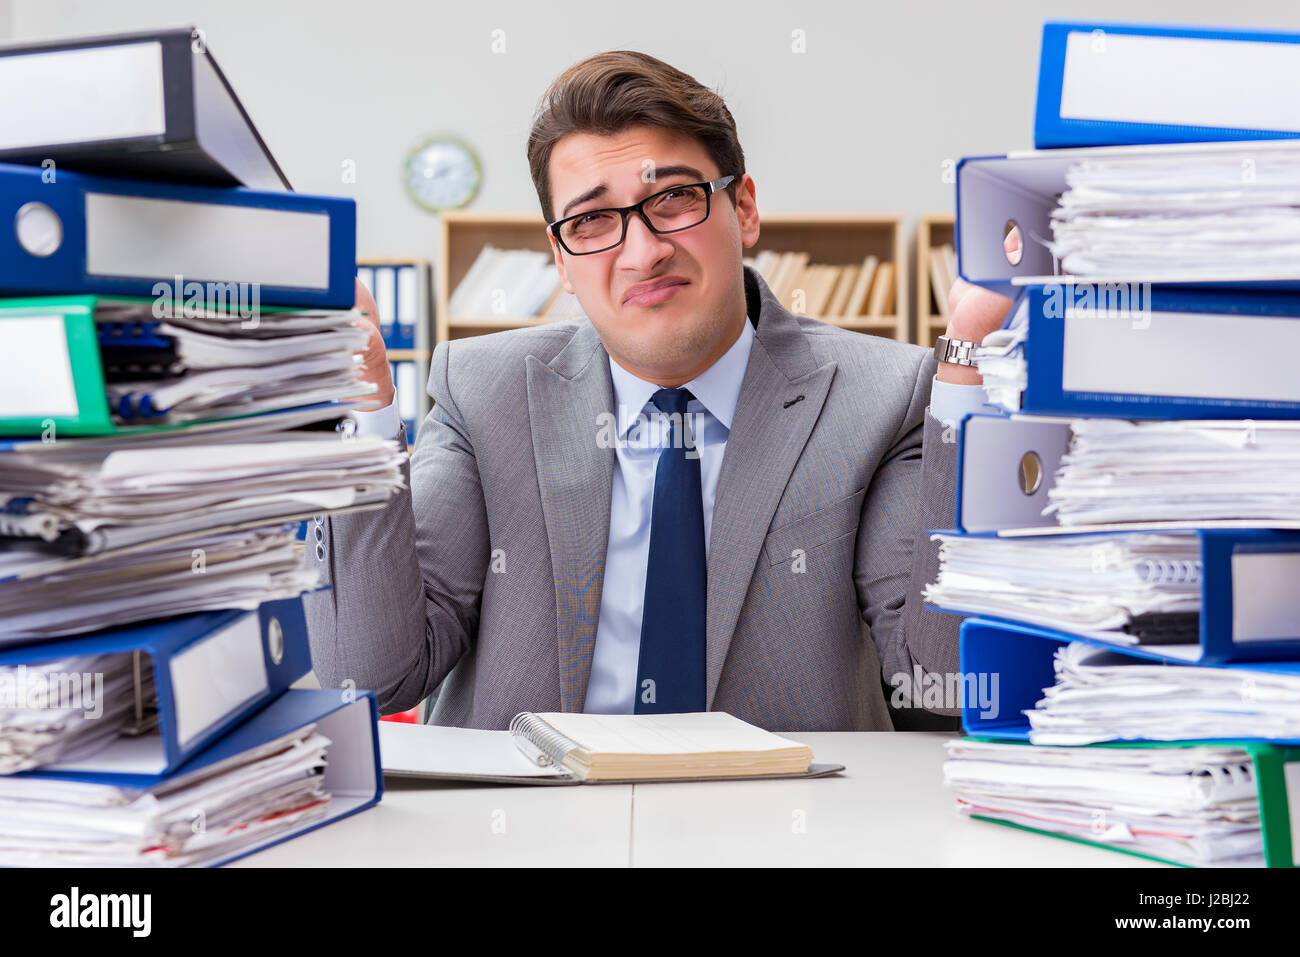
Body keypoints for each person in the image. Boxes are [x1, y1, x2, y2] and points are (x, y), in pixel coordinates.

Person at [307, 50, 1013, 731]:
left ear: (744, 208)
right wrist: (363, 410)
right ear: (559, 257)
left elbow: (943, 677)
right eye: (590, 220)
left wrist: (966, 363)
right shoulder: (481, 391)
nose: (642, 252)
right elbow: (370, 673)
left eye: (673, 198)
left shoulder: (883, 395)